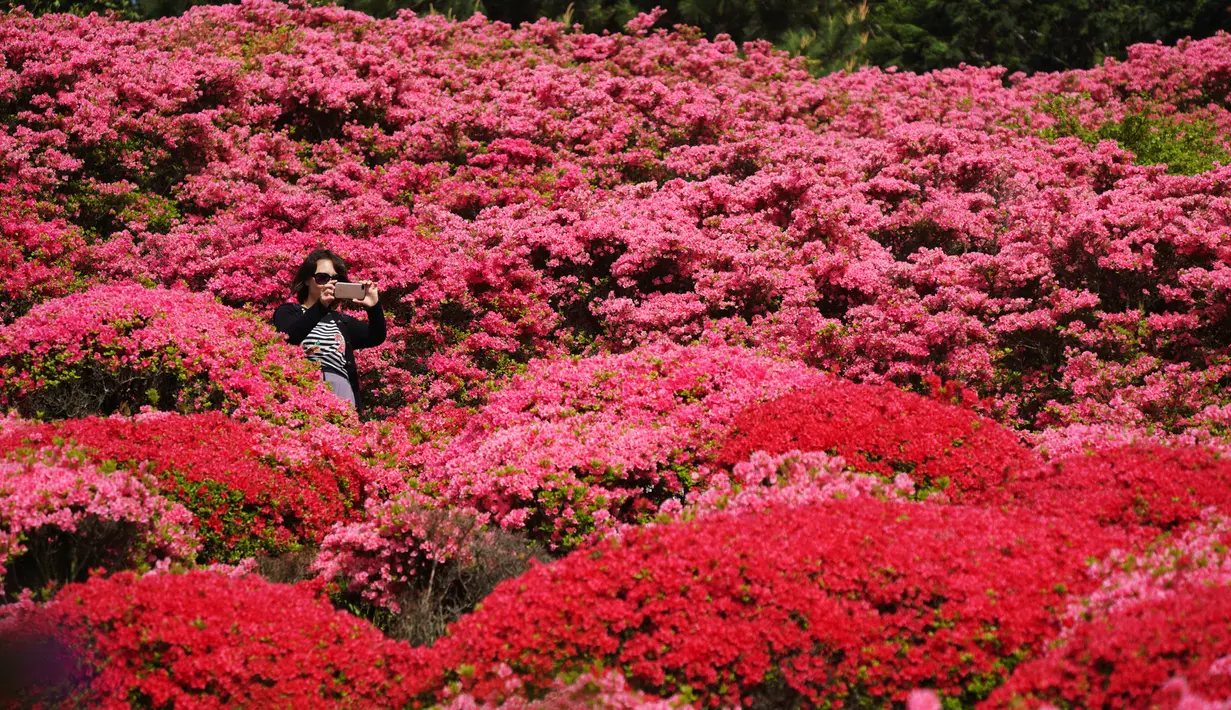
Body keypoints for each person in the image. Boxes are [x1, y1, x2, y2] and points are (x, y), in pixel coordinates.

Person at [273, 249, 385, 410]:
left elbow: (375, 336)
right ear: (307, 280)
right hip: (305, 383)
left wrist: (374, 307)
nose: (329, 283)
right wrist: (320, 306)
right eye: (322, 278)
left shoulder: (341, 321)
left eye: (335, 279)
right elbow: (289, 337)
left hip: (340, 386)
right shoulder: (289, 312)